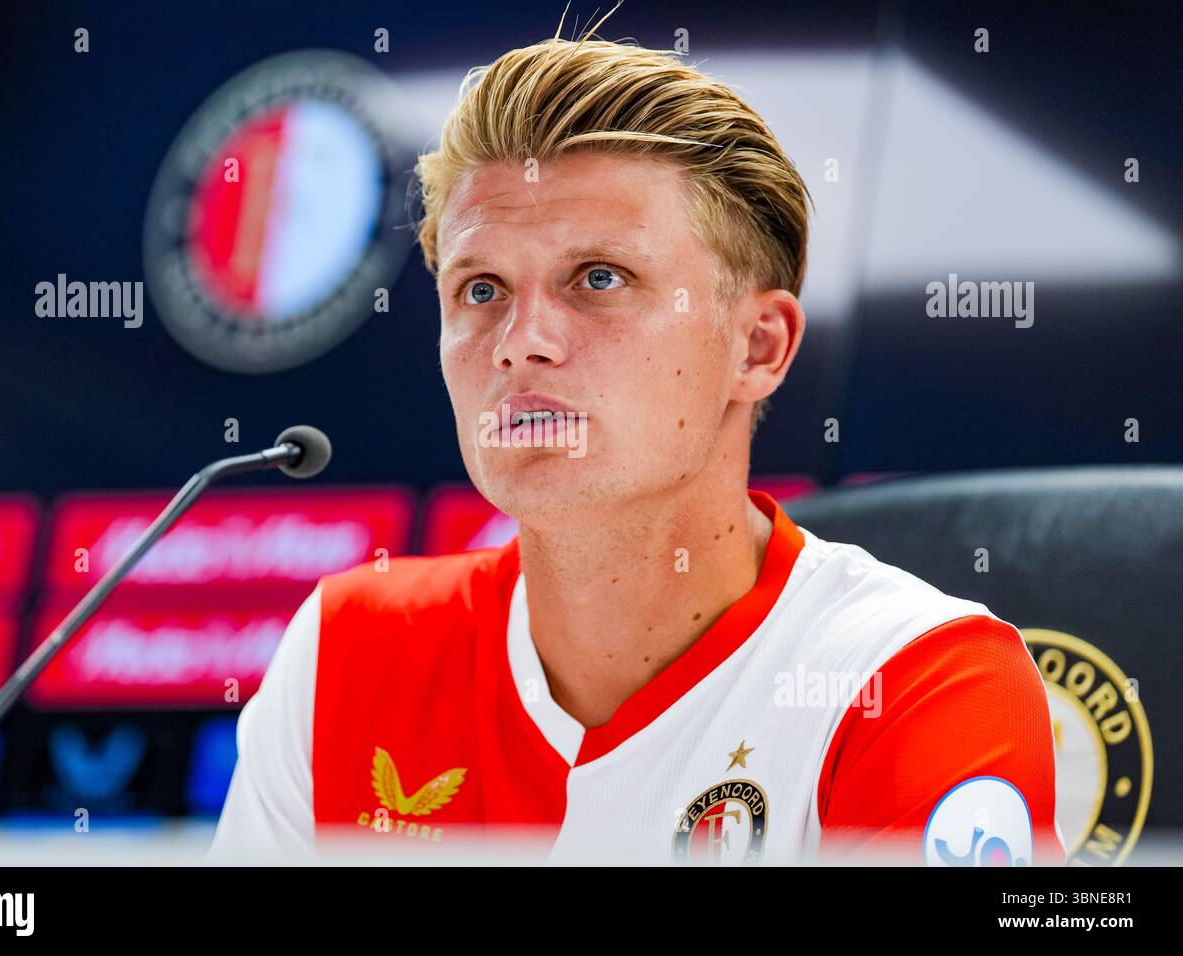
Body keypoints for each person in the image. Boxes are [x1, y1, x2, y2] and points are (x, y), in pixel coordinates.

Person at [208, 17, 1063, 866]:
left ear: (757, 346)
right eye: (481, 289)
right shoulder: (347, 650)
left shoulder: (921, 682)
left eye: (600, 278)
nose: (520, 339)